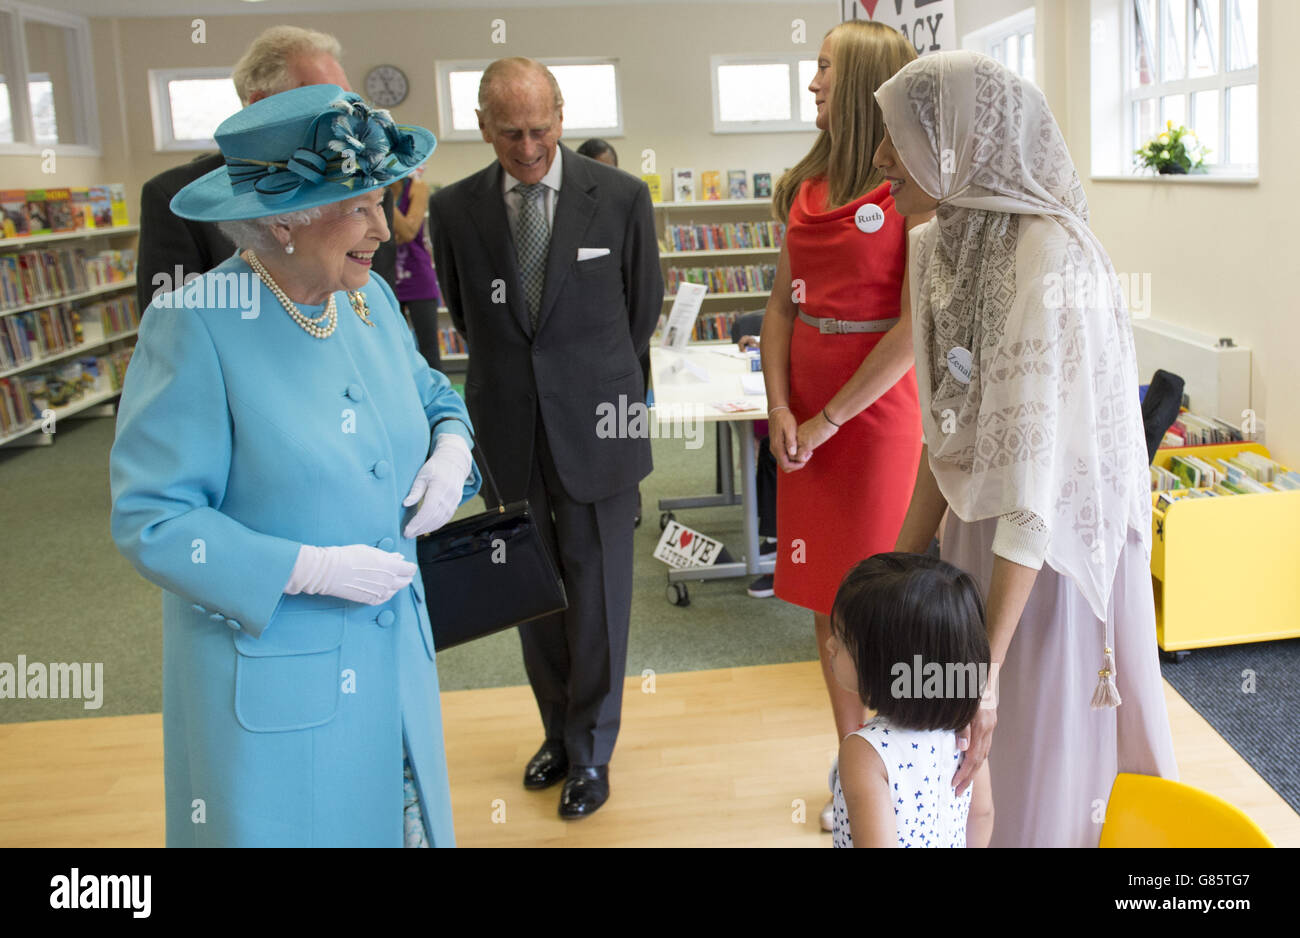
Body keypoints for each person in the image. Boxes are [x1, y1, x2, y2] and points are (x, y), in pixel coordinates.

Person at [110, 85, 480, 847]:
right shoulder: (194, 325)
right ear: (285, 218)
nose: (384, 227)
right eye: (361, 207)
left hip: (394, 667)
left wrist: (453, 446)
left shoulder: (368, 298)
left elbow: (434, 392)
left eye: (382, 202)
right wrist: (304, 567)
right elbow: (152, 518)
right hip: (280, 684)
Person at [876, 51, 1178, 847]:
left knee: (1034, 766)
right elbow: (947, 433)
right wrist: (889, 577)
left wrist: (987, 665)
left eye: (897, 136)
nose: (879, 158)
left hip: (1049, 559)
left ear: (962, 143)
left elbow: (1036, 490)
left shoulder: (1052, 259)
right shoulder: (933, 246)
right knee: (976, 768)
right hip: (976, 543)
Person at [428, 57, 662, 819]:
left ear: (560, 116)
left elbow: (640, 312)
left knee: (597, 589)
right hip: (507, 422)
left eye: (539, 129)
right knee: (532, 588)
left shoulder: (621, 198)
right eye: (509, 133)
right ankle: (556, 731)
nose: (527, 148)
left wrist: (590, 386)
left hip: (598, 422)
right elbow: (468, 315)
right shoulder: (455, 208)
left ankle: (593, 749)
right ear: (481, 124)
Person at [758, 20, 927, 832]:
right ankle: (851, 762)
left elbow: (910, 331)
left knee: (876, 604)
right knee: (825, 600)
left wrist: (826, 418)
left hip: (875, 418)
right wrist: (781, 407)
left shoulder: (913, 190)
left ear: (862, 80)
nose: (813, 81)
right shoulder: (804, 184)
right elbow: (779, 309)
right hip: (808, 418)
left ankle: (892, 772)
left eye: (824, 68)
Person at [136, 25, 397, 315]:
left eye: (349, 100)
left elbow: (375, 291)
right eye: (326, 102)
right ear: (262, 105)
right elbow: (169, 319)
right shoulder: (174, 196)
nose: (345, 115)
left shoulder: (364, 182)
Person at [826, 553, 994, 848]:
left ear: (884, 663)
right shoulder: (963, 735)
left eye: (841, 637)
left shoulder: (865, 751)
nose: (829, 644)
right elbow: (982, 815)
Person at [389, 168, 442, 370]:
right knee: (393, 350)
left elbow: (409, 232)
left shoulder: (417, 187)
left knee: (429, 350)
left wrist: (382, 196)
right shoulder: (372, 186)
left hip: (418, 277)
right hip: (385, 278)